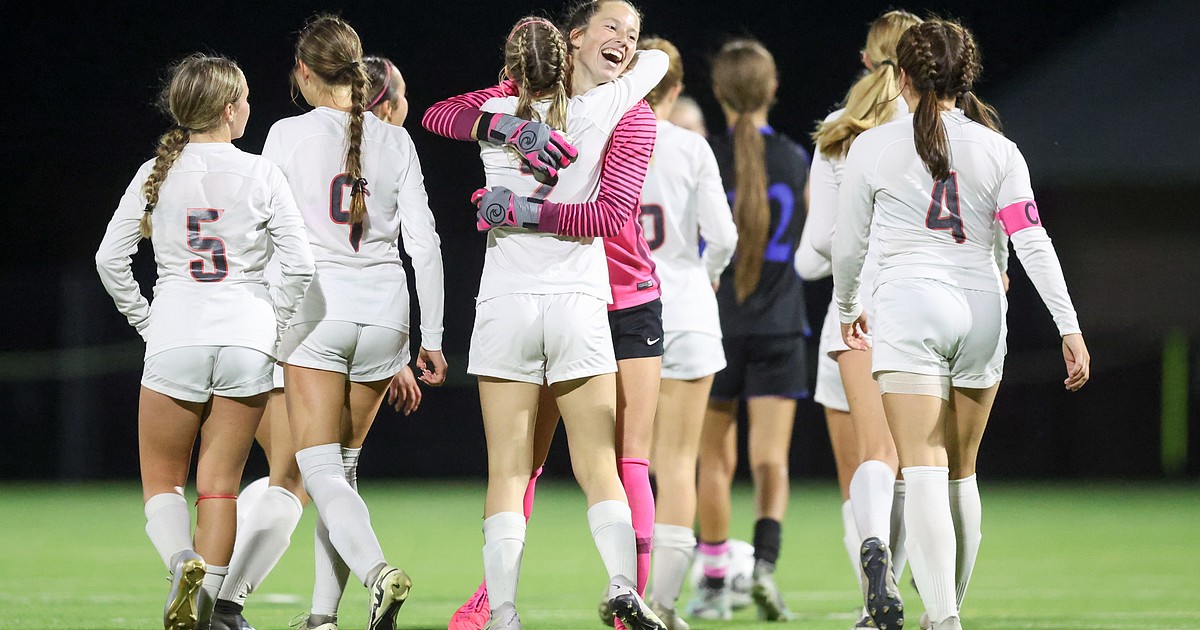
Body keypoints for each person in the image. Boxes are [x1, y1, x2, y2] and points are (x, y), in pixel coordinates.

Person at [832, 19, 1090, 630]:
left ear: (900, 77)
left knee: (920, 465)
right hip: (980, 307)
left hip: (908, 302)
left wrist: (847, 307)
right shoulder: (999, 148)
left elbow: (848, 247)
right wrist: (1068, 326)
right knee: (962, 469)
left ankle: (942, 618)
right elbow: (1031, 240)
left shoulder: (873, 146)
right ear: (965, 77)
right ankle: (947, 615)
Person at [423, 9, 668, 629]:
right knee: (600, 466)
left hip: (506, 305)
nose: (625, 44)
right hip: (579, 306)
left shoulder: (498, 118)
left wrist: (510, 153)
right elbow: (660, 63)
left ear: (507, 70)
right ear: (571, 50)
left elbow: (437, 113)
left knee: (508, 471)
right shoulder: (604, 109)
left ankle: (501, 612)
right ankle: (621, 586)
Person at [95, 54, 314, 630]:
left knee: (162, 481)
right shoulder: (261, 172)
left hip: (175, 335)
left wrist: (144, 319)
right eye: (243, 97)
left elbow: (109, 259)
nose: (248, 106)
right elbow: (301, 266)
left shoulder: (155, 173)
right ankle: (207, 607)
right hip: (246, 340)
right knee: (220, 489)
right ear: (226, 109)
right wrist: (271, 321)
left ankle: (181, 561)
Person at [216, 51, 423, 630]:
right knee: (298, 473)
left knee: (312, 474)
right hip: (290, 323)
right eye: (401, 95)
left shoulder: (320, 142)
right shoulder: (368, 145)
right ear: (383, 102)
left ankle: (316, 615)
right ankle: (224, 601)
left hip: (305, 321)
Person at [264, 15, 449, 630]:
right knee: (341, 471)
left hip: (317, 312)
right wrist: (433, 337)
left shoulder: (286, 135)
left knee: (319, 472)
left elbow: (266, 239)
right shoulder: (395, 141)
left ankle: (378, 574)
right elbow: (425, 244)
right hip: (386, 316)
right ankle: (321, 617)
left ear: (304, 73)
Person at [797, 10, 923, 629]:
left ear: (868, 60)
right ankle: (908, 600)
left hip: (850, 313)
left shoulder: (841, 135)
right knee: (914, 465)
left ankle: (874, 599)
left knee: (862, 472)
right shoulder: (942, 130)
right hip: (921, 308)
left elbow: (815, 250)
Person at [688, 38, 808, 623]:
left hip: (714, 327)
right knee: (770, 459)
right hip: (782, 328)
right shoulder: (795, 160)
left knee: (714, 461)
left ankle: (714, 581)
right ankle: (763, 565)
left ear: (717, 93)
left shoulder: (702, 156)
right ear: (773, 89)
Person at [631, 36, 737, 630]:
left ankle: (627, 586)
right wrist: (708, 277)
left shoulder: (604, 141)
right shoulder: (690, 148)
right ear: (674, 90)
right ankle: (663, 604)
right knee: (678, 465)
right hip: (690, 311)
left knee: (627, 464)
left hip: (624, 315)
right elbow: (721, 238)